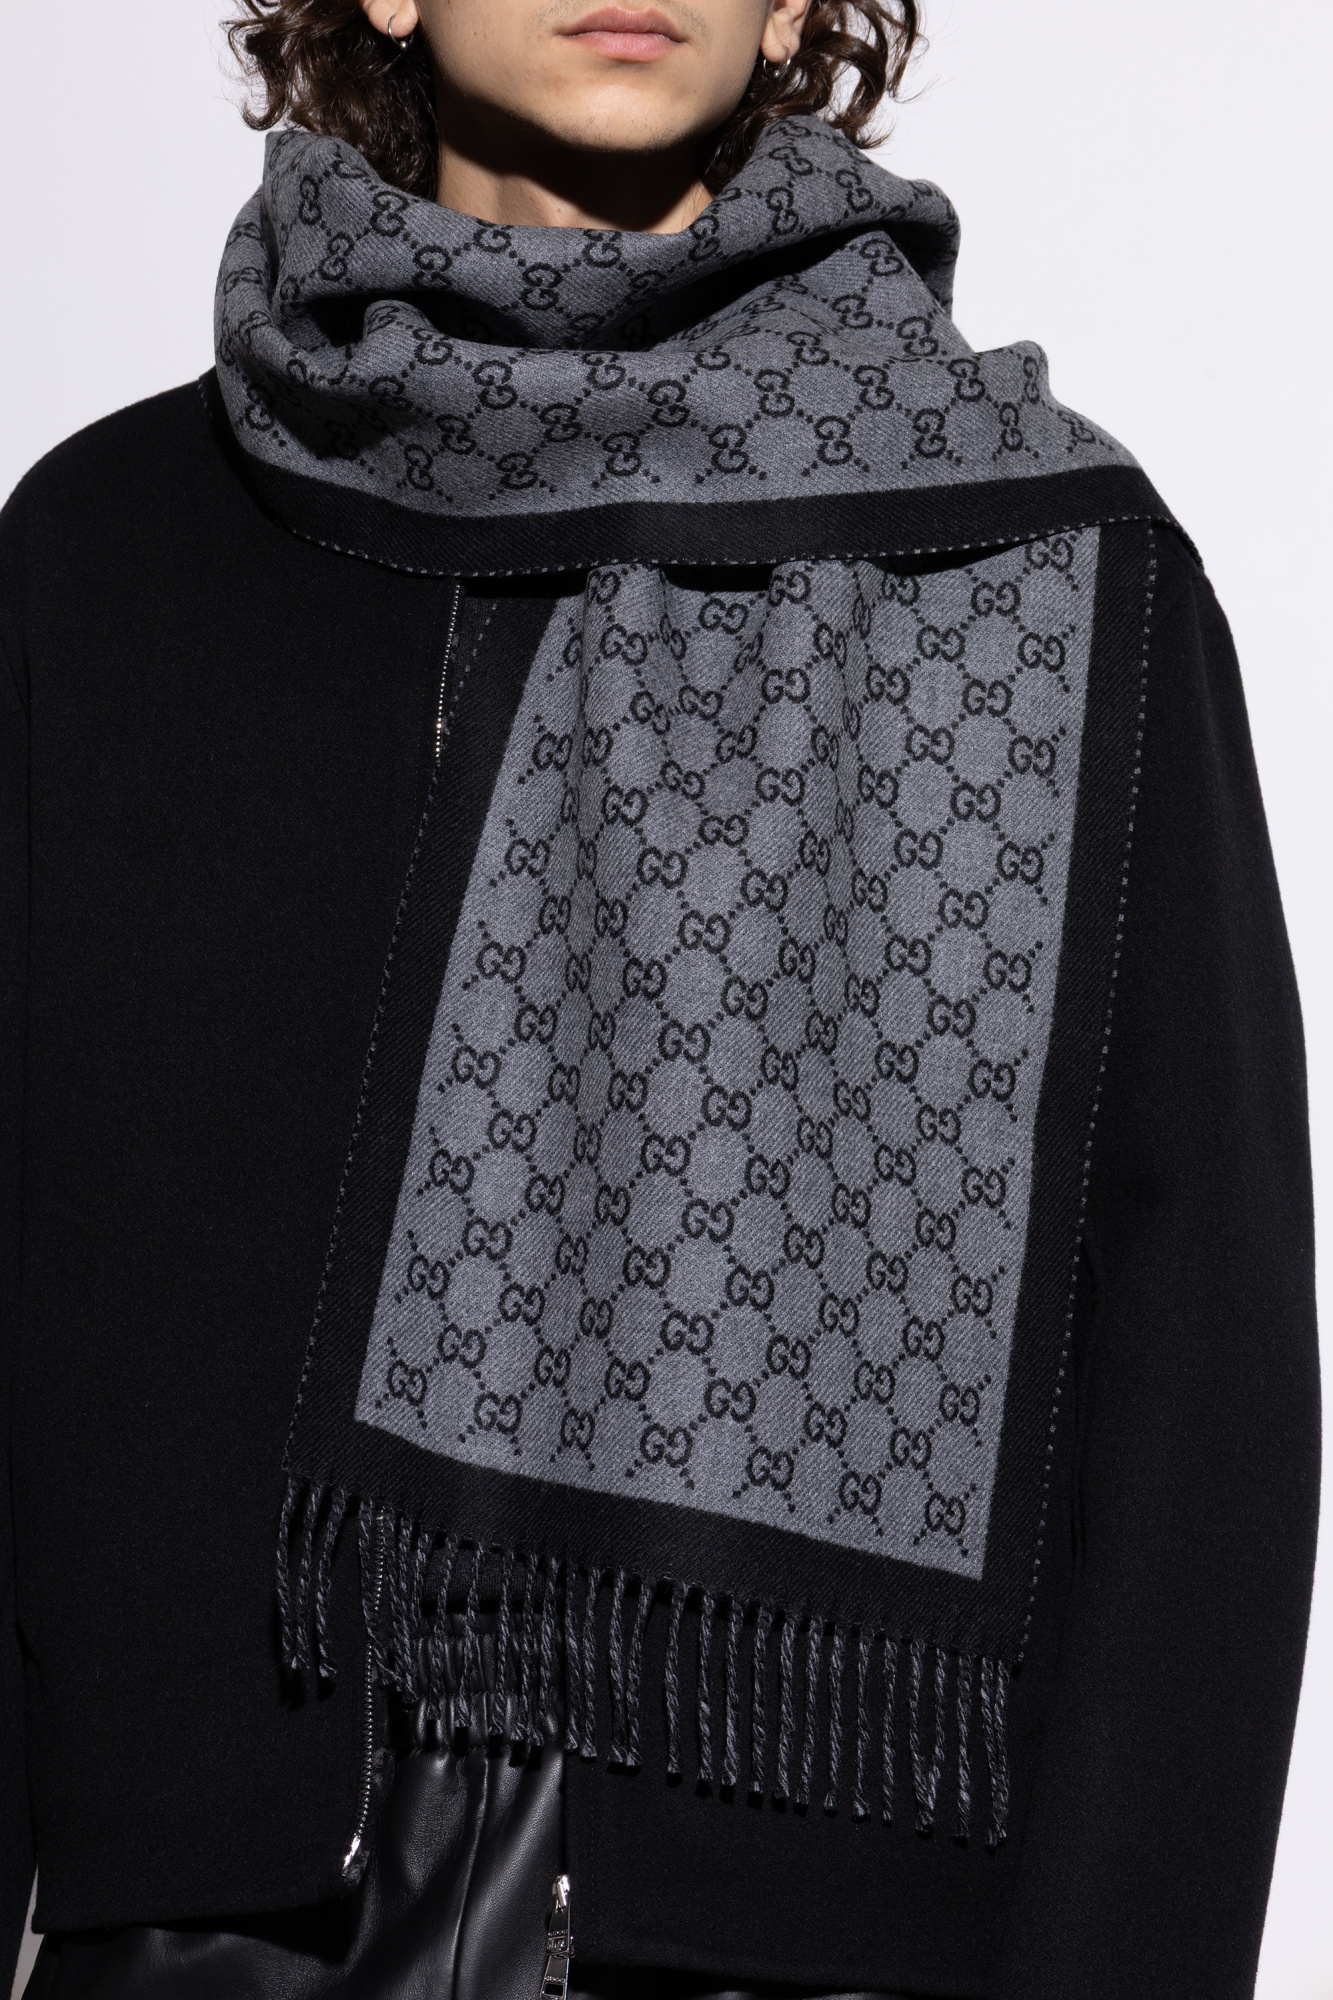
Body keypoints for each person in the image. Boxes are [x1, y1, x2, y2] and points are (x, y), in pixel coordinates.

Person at [0, 1, 1319, 1995]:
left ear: (792, 6)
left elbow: (1198, 1401)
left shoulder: (1049, 564)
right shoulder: (115, 550)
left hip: (803, 1938)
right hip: (214, 1931)